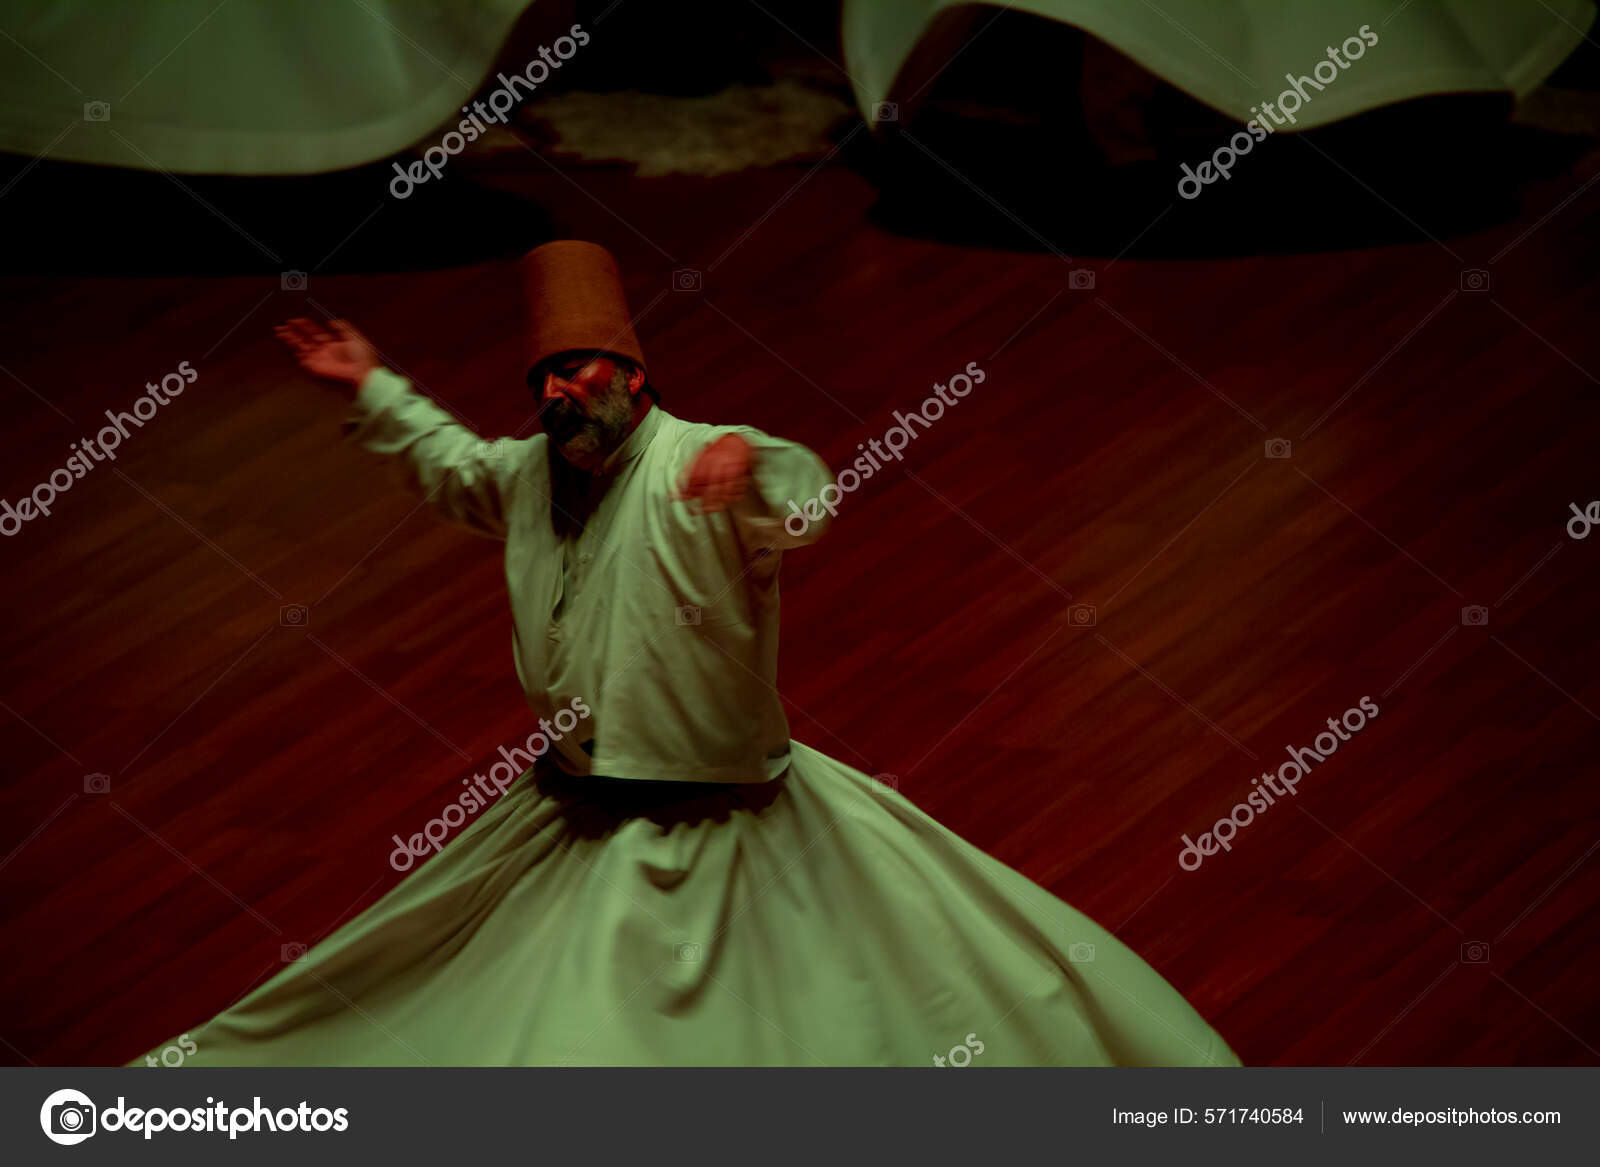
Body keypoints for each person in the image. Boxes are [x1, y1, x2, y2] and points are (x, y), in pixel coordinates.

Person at [130, 240, 1239, 1067]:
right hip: (578, 810)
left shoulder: (705, 461)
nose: (561, 393)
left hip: (716, 811)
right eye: (546, 380)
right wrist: (372, 386)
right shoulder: (529, 474)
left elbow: (800, 491)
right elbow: (452, 464)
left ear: (634, 378)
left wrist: (750, 475)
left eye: (579, 372)